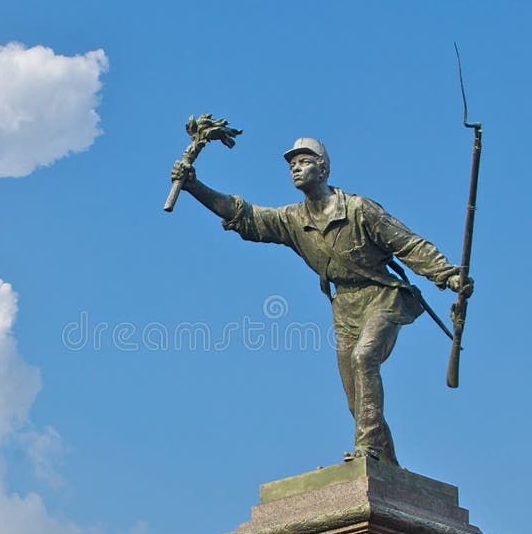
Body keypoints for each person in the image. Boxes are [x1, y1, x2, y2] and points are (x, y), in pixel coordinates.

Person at [171, 137, 470, 466]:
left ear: (323, 168)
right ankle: (387, 465)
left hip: (382, 296)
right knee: (355, 398)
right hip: (344, 306)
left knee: (364, 357)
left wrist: (446, 274)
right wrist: (195, 187)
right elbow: (246, 217)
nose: (296, 168)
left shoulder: (358, 209)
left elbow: (408, 244)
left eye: (304, 162)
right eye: (291, 165)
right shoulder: (293, 220)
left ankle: (367, 450)